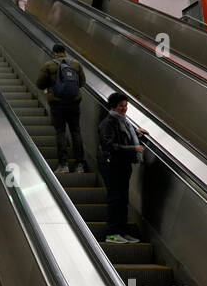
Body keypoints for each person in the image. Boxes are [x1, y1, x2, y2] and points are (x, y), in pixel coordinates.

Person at [96, 92, 148, 244]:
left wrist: (135, 134)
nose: (124, 109)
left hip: (123, 165)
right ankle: (112, 234)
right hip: (111, 165)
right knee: (115, 198)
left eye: (126, 105)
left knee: (123, 199)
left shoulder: (123, 121)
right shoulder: (108, 122)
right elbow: (109, 146)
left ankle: (123, 232)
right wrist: (133, 148)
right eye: (121, 106)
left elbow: (123, 137)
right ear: (113, 106)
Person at [36, 42, 87, 174]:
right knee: (76, 132)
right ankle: (80, 165)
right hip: (74, 103)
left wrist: (50, 88)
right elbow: (82, 83)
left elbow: (40, 84)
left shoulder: (48, 65)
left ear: (54, 53)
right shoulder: (76, 64)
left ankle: (63, 164)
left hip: (57, 104)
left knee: (61, 132)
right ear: (65, 51)